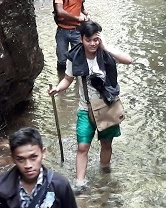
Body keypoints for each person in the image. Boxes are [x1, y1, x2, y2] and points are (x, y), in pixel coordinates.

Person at [48, 20, 132, 189]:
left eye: (96, 39)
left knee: (106, 143)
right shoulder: (75, 57)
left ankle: (104, 173)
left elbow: (128, 60)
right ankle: (80, 183)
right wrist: (57, 89)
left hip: (107, 106)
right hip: (86, 109)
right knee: (83, 146)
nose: (93, 43)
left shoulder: (107, 54)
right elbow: (68, 79)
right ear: (81, 39)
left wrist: (106, 47)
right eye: (89, 40)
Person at [54, 0, 91, 78]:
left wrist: (87, 14)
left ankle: (78, 85)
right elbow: (59, 11)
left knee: (78, 58)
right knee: (62, 59)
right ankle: (61, 81)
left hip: (77, 31)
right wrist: (77, 18)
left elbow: (81, 7)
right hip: (62, 31)